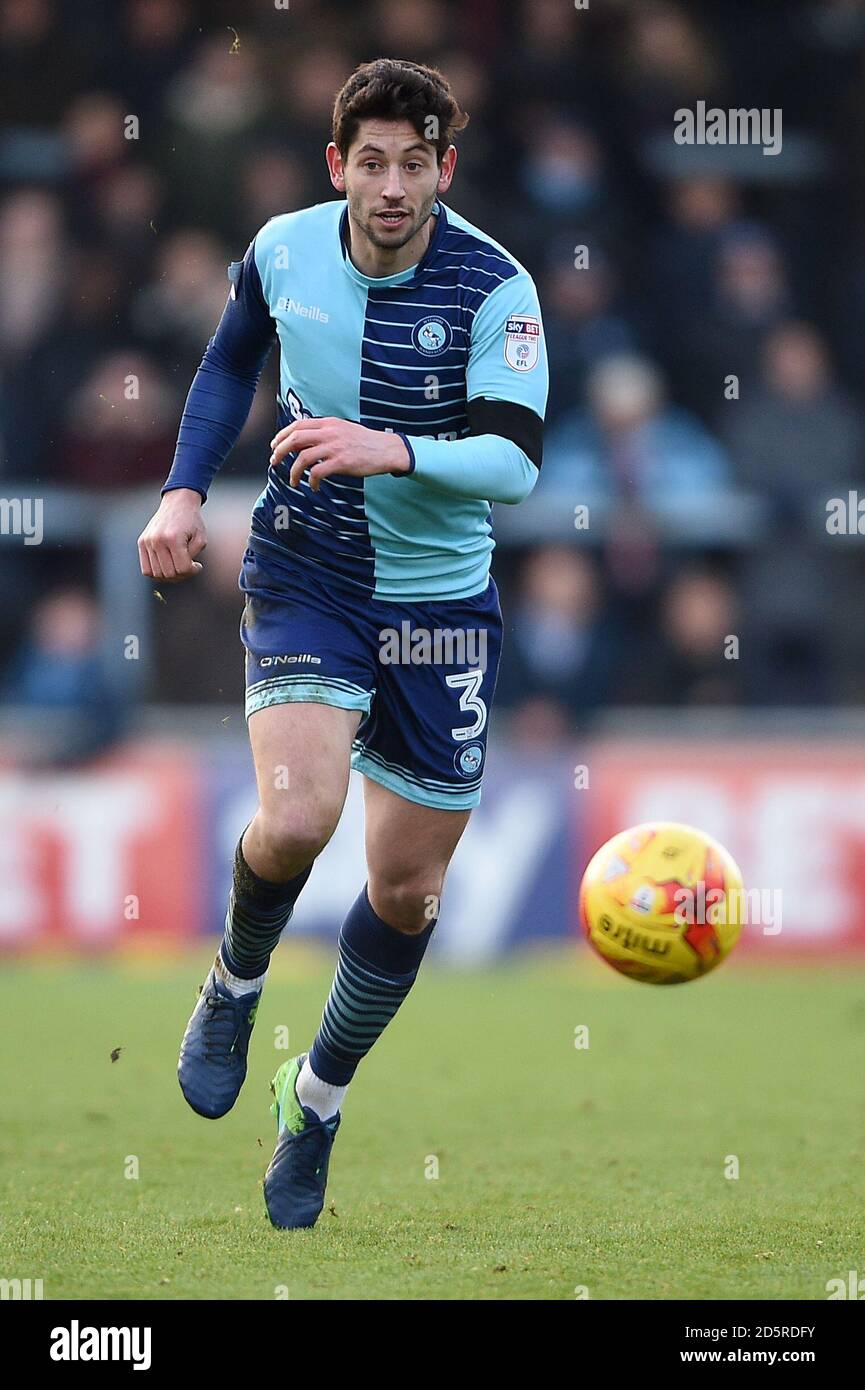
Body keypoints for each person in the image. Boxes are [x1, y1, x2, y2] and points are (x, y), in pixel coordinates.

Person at [137, 58, 548, 1230]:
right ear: (338, 167)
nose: (392, 184)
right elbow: (228, 360)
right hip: (311, 570)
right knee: (298, 815)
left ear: (442, 170)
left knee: (408, 892)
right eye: (371, 162)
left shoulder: (496, 287)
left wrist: (394, 448)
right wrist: (180, 492)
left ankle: (312, 1099)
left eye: (414, 162)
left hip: (438, 608)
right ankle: (233, 981)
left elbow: (516, 463)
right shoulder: (282, 249)